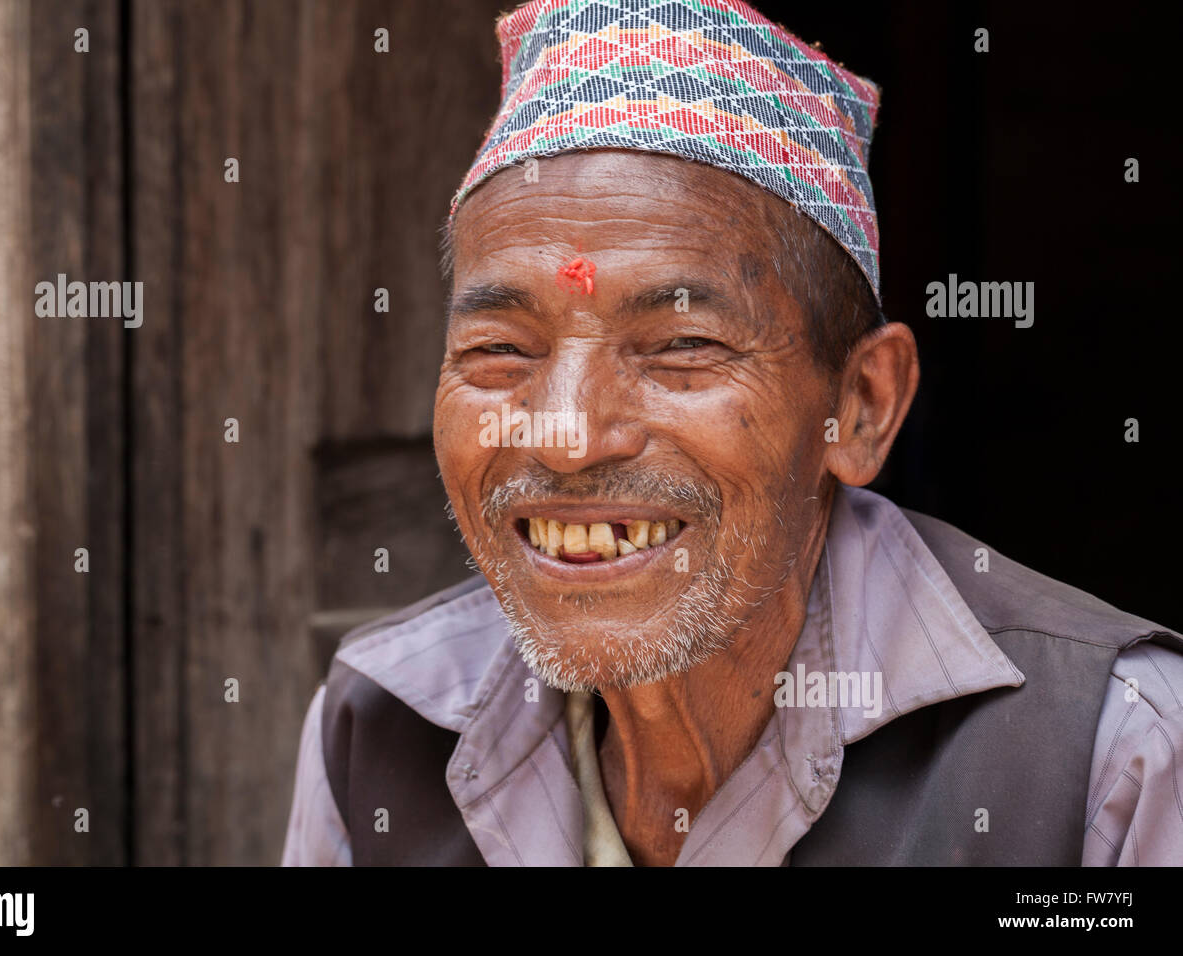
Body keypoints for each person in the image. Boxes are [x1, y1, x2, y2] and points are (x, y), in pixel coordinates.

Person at [283, 0, 1181, 866]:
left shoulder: (1110, 758)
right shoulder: (378, 725)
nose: (566, 435)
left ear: (862, 406)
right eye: (501, 349)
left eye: (680, 345)